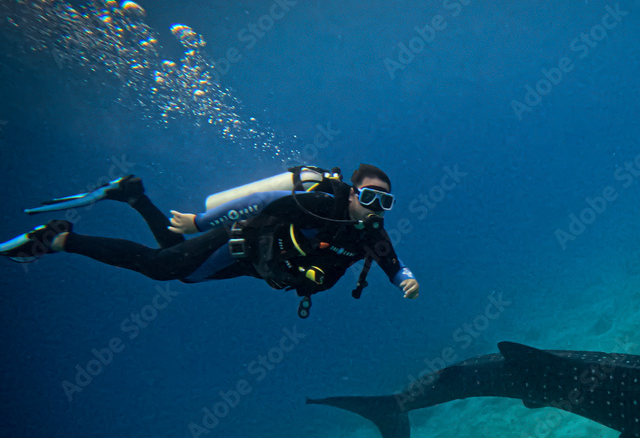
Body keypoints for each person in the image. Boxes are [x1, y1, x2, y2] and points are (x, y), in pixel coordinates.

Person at [0, 164, 419, 317]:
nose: (376, 207)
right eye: (369, 197)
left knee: (175, 265)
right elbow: (260, 201)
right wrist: (199, 223)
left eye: (385, 202)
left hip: (259, 265)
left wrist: (406, 281)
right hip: (241, 239)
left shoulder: (372, 235)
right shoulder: (319, 205)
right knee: (162, 267)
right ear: (352, 194)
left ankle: (133, 195)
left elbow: (392, 264)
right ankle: (60, 239)